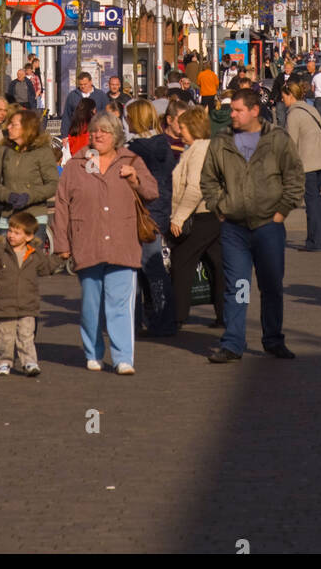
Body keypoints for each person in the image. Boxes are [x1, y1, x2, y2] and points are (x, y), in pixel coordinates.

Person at [199, 88, 305, 362]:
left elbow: (294, 177)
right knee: (238, 286)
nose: (231, 115)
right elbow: (208, 180)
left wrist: (282, 212)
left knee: (271, 285)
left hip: (268, 227)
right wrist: (220, 208)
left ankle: (273, 339)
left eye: (237, 110)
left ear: (254, 111)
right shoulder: (221, 141)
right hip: (234, 228)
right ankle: (234, 343)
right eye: (231, 110)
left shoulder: (277, 139)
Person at [52, 111, 158, 373]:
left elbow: (152, 192)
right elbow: (62, 205)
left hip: (123, 242)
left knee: (120, 304)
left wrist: (135, 177)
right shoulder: (76, 164)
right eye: (95, 131)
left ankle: (123, 358)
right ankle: (93, 351)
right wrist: (62, 244)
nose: (98, 135)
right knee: (91, 304)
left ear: (116, 136)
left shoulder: (132, 159)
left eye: (104, 131)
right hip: (87, 241)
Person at [0, 210, 62, 375]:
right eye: (10, 231)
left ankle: (30, 362)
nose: (11, 235)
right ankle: (5, 361)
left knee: (26, 336)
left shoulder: (34, 254)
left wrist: (61, 258)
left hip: (28, 304)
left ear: (29, 236)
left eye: (17, 233)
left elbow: (46, 267)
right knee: (5, 337)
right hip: (4, 303)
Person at [169, 106, 225, 327]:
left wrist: (178, 217)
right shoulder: (200, 148)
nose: (179, 132)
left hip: (202, 214)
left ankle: (177, 315)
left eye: (182, 127)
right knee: (218, 264)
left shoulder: (199, 150)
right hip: (213, 214)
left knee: (182, 261)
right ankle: (224, 314)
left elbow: (196, 187)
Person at [126, 99, 177, 337]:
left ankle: (149, 319)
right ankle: (161, 317)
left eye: (129, 117)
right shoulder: (162, 144)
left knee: (144, 267)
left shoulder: (136, 149)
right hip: (160, 212)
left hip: (144, 214)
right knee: (153, 268)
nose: (126, 121)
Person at [283, 81, 321, 250]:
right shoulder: (310, 109)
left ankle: (315, 241)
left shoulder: (293, 115)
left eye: (284, 96)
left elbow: (290, 144)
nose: (282, 100)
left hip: (308, 163)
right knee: (316, 198)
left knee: (311, 201)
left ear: (291, 95)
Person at [0, 109, 59, 220]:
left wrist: (29, 197)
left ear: (26, 128)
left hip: (34, 216)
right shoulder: (4, 150)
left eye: (13, 125)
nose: (8, 127)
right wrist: (7, 195)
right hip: (7, 215)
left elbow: (53, 184)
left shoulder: (43, 152)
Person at [60, 72, 107, 138]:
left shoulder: (101, 95)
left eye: (85, 84)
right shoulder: (72, 96)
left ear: (91, 82)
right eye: (80, 84)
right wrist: (64, 135)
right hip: (77, 134)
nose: (83, 86)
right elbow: (67, 116)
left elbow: (106, 115)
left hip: (96, 133)